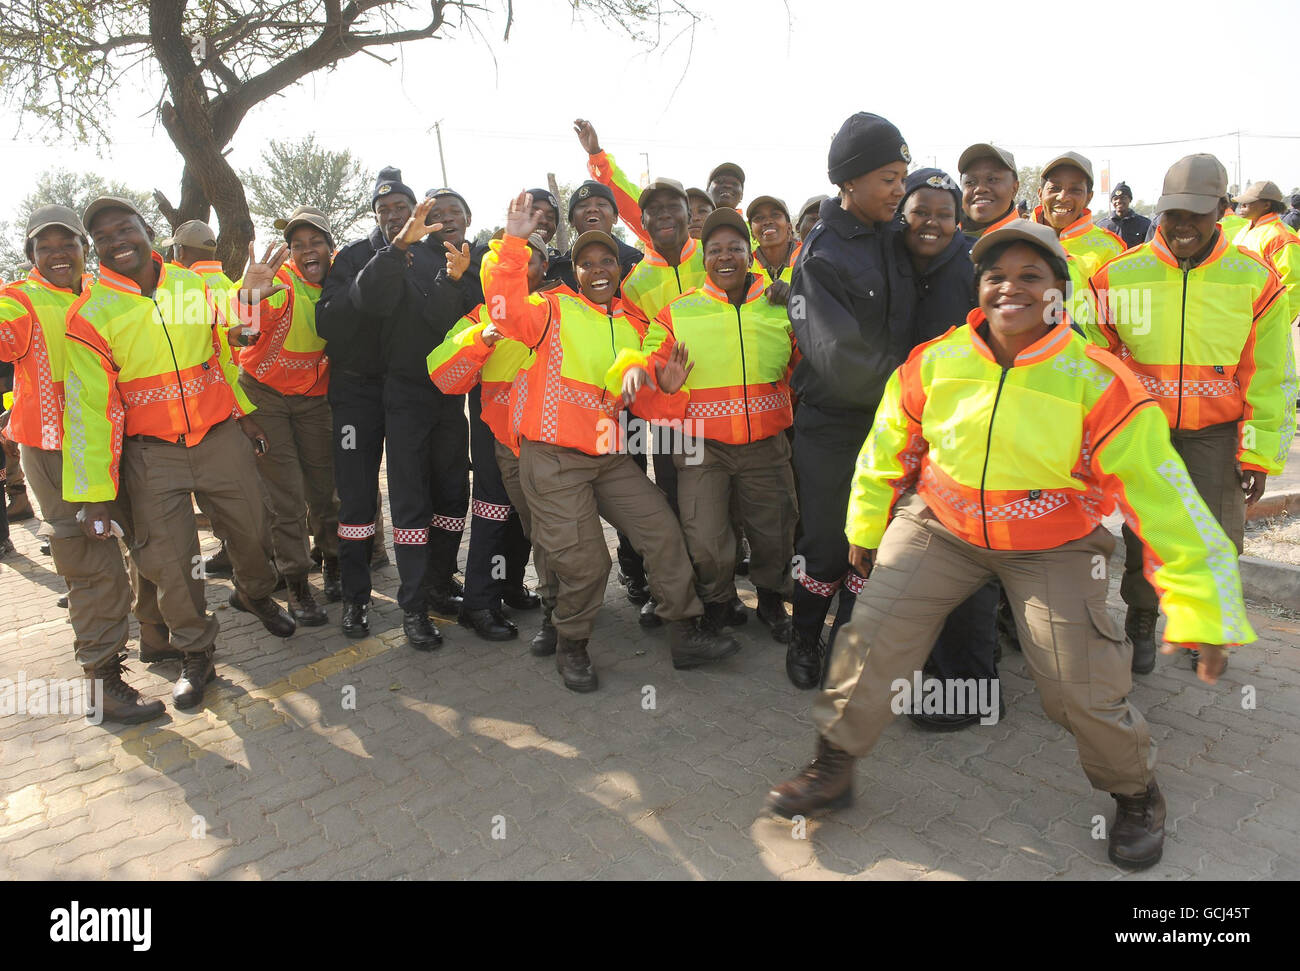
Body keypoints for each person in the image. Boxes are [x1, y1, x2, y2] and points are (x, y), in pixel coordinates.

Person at [767, 220, 1255, 871]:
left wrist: (1205, 608)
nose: (1010, 288)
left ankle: (1137, 794)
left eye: (1031, 276)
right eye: (996, 275)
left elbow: (1167, 502)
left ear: (1059, 291)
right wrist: (866, 523)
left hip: (1053, 542)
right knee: (872, 636)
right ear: (978, 286)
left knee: (1077, 685)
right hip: (942, 526)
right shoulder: (937, 359)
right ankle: (833, 766)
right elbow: (889, 440)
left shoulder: (1099, 380)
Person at [486, 193, 743, 690]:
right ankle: (571, 642)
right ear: (575, 272)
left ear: (619, 270)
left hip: (608, 456)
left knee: (663, 532)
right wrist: (513, 244)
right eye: (587, 263)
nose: (598, 269)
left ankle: (684, 633)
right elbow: (504, 310)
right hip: (553, 458)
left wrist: (666, 388)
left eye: (607, 260)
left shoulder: (634, 324)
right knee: (587, 561)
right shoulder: (551, 310)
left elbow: (647, 404)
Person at [64, 197, 295, 712]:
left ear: (148, 231)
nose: (117, 242)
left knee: (254, 530)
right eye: (103, 237)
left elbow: (229, 339)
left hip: (218, 438)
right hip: (152, 457)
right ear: (94, 249)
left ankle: (254, 592)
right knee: (173, 563)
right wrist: (94, 496)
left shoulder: (192, 287)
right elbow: (90, 412)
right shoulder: (91, 315)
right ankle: (196, 652)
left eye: (125, 229)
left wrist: (250, 297)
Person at [1089, 155, 1296, 674]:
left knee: (1216, 539)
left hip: (1217, 437)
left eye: (1196, 214)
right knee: (1145, 535)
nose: (1182, 225)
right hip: (1146, 435)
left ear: (1222, 210)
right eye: (1173, 213)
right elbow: (1093, 359)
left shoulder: (1255, 280)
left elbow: (1269, 373)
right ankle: (1141, 620)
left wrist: (1258, 454)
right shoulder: (1118, 275)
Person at [0, 205, 168, 722]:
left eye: (67, 243)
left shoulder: (98, 292)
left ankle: (155, 636)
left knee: (146, 541)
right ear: (31, 255)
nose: (58, 254)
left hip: (114, 445)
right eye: (45, 247)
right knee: (92, 564)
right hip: (57, 455)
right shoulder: (20, 300)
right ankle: (102, 680)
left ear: (82, 248)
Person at [621, 206, 798, 641]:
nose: (724, 257)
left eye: (734, 248)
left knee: (774, 530)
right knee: (704, 535)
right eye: (715, 249)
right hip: (701, 446)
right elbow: (647, 356)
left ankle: (771, 600)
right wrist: (651, 375)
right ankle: (718, 602)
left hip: (766, 443)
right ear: (704, 259)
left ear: (749, 255)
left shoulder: (779, 305)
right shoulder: (678, 312)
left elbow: (805, 361)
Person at [785, 112, 915, 690]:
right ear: (850, 181)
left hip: (892, 424)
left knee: (876, 539)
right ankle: (804, 636)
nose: (898, 190)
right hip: (834, 426)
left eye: (902, 177)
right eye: (888, 178)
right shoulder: (821, 254)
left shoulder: (897, 235)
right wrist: (916, 391)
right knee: (826, 542)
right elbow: (837, 357)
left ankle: (847, 642)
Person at [891, 168, 1000, 729]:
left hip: (969, 439)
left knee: (963, 564)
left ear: (959, 221)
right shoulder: (893, 261)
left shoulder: (977, 266)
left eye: (944, 214)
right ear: (901, 216)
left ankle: (974, 690)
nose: (931, 223)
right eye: (920, 212)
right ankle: (941, 670)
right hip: (911, 434)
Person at [351, 181, 479, 647]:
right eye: (437, 213)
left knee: (453, 495)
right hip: (406, 395)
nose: (447, 218)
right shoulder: (408, 258)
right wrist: (449, 278)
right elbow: (416, 315)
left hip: (451, 397)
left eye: (455, 210)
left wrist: (461, 278)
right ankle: (413, 606)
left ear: (468, 217)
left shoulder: (477, 263)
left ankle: (440, 583)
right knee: (411, 503)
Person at [429, 231, 554, 649]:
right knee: (494, 513)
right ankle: (479, 604)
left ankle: (511, 585)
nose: (513, 268)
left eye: (526, 259)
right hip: (495, 435)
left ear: (544, 268)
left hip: (545, 438)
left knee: (525, 519)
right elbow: (442, 373)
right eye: (503, 261)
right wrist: (481, 339)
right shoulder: (480, 316)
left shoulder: (559, 309)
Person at [228, 206, 340, 625]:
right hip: (267, 398)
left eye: (315, 242)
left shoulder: (341, 279)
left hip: (315, 399)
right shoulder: (281, 284)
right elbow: (243, 332)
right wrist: (249, 300)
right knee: (286, 496)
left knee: (326, 490)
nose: (307, 250)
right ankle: (297, 584)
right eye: (297, 245)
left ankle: (334, 564)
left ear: (330, 248)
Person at [316, 167, 406, 639]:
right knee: (355, 498)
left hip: (409, 393)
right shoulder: (352, 256)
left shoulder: (432, 253)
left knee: (415, 493)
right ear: (375, 215)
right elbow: (327, 321)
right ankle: (356, 598)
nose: (393, 215)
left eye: (401, 207)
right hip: (356, 394)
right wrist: (373, 277)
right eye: (383, 209)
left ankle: (429, 587)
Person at [1031, 151, 1125, 328]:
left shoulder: (1110, 249)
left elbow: (1120, 323)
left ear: (1089, 197)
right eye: (1055, 188)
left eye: (1075, 190)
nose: (1063, 196)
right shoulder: (1012, 238)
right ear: (1040, 193)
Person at [547, 181, 643, 290]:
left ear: (615, 217)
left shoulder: (637, 263)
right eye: (583, 206)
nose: (592, 209)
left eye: (601, 204)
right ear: (572, 220)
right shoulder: (557, 269)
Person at [1232, 180, 1300, 325]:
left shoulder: (1281, 236)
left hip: (1265, 322)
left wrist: (1278, 321)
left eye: (1248, 202)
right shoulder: (1247, 229)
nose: (1242, 205)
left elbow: (1294, 283)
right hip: (1243, 317)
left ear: (1267, 205)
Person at [958, 143, 1021, 238]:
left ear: (1014, 188)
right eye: (970, 182)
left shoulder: (1030, 241)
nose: (980, 189)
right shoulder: (942, 238)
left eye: (992, 179)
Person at [747, 196, 800, 303]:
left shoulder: (809, 257)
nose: (767, 222)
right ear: (752, 233)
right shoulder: (745, 267)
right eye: (759, 218)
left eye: (775, 215)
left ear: (789, 227)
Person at [1097, 182, 1151, 249]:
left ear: (1130, 200)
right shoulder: (1102, 225)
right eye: (1115, 199)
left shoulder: (1144, 224)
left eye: (1123, 198)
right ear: (1112, 201)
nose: (1119, 201)